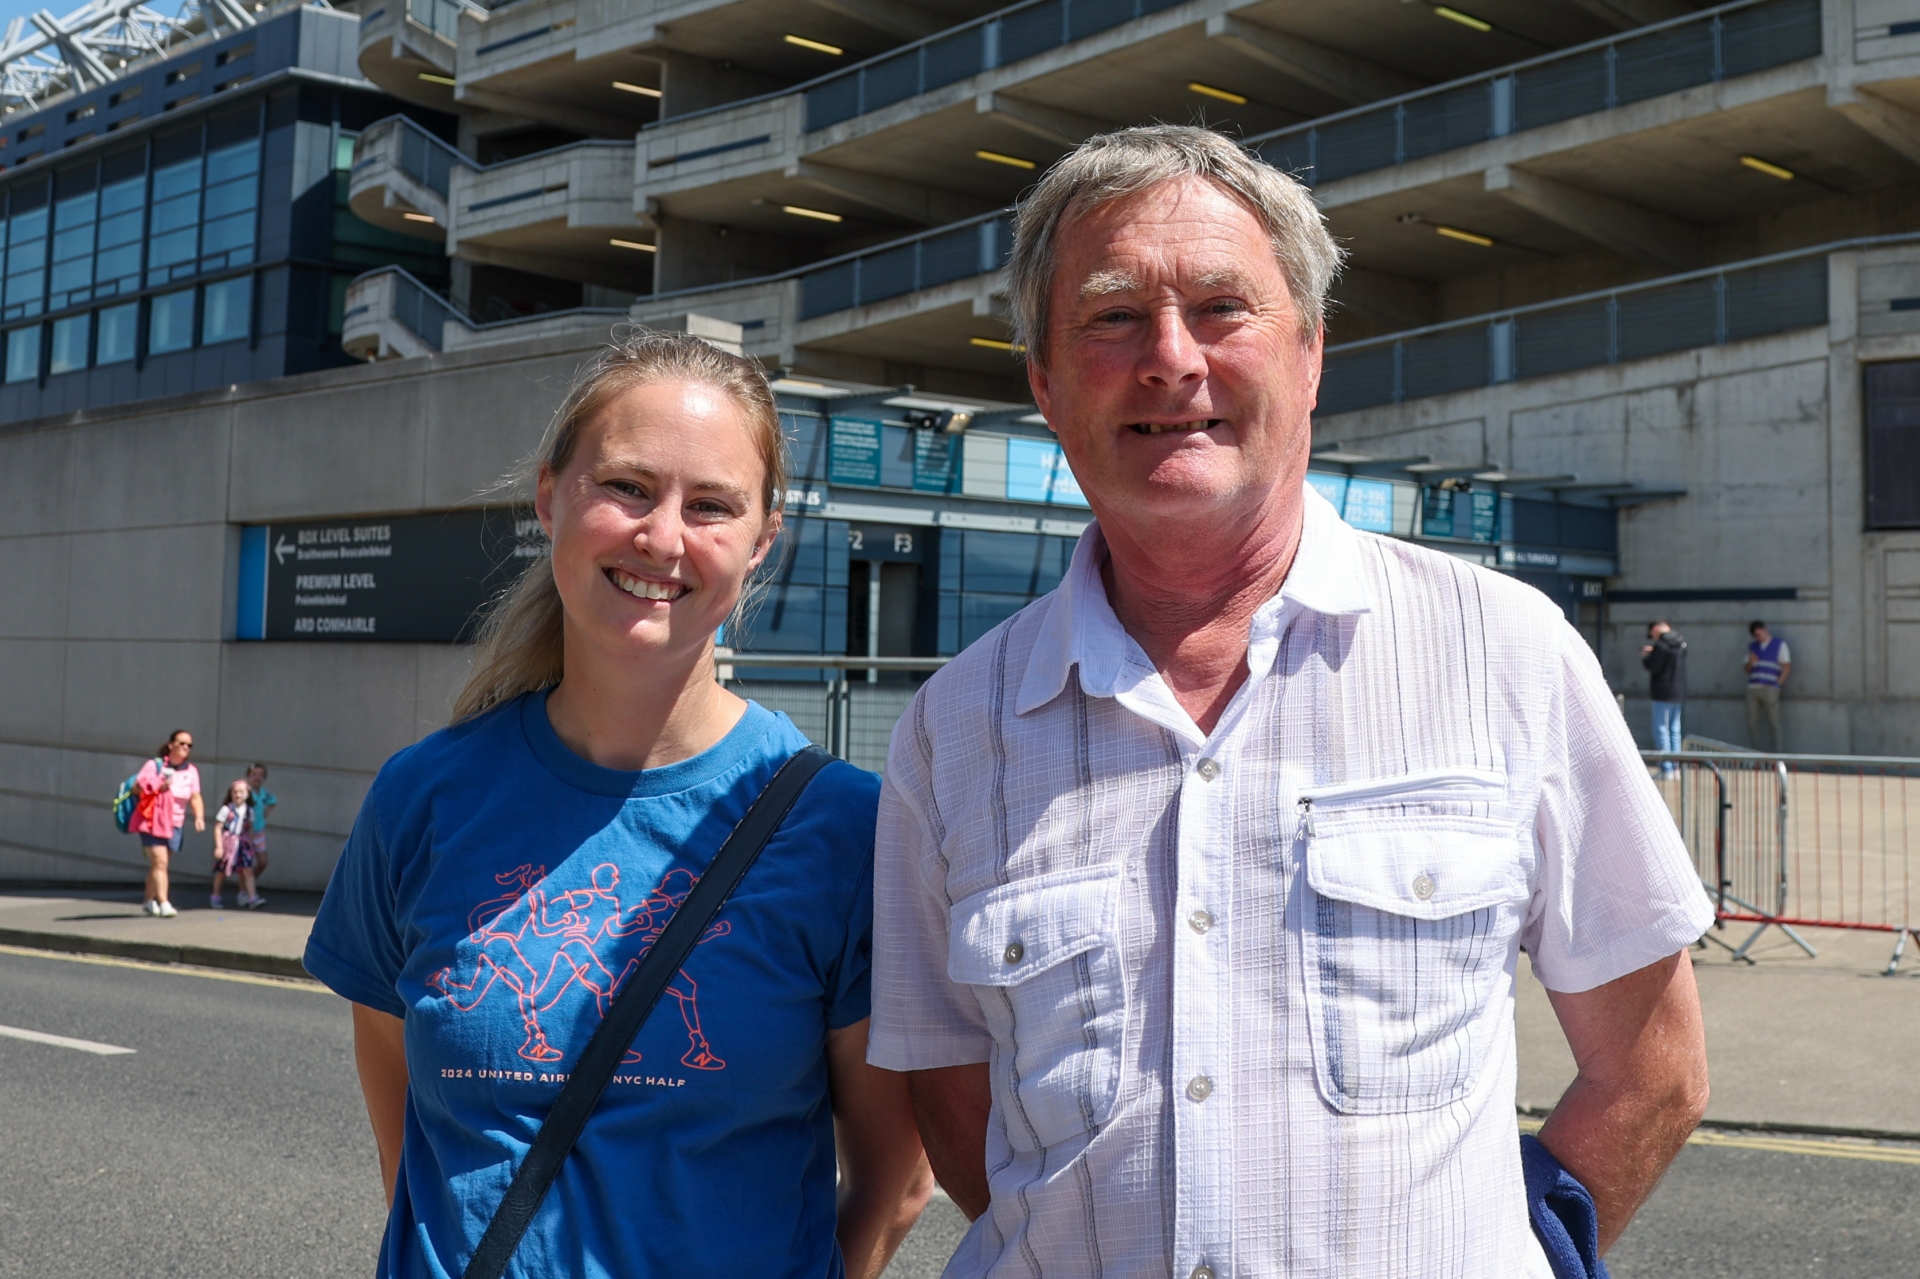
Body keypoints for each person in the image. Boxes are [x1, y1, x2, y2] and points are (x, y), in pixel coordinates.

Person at [870, 126, 1712, 1279]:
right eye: (1113, 316)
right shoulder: (954, 730)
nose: (1171, 358)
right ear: (1047, 385)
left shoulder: (1503, 652)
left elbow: (1652, 1068)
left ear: (1311, 354)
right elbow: (957, 1100)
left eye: (1223, 307)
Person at [304, 333, 931, 1279]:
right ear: (550, 495)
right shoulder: (423, 797)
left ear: (762, 541)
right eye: (628, 487)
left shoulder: (845, 829)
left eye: (711, 505)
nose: (662, 536)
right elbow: (411, 1133)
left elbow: (895, 1179)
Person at [130, 729, 203, 918]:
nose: (185, 747)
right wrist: (157, 786)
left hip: (175, 823)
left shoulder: (191, 770)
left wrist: (199, 817)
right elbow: (136, 789)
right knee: (160, 862)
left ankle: (148, 901)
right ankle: (164, 902)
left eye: (189, 745)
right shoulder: (155, 765)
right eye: (181, 743)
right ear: (171, 745)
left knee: (159, 865)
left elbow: (195, 796)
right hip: (152, 820)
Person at [1641, 620, 1687, 773]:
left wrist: (1646, 656)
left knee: (1661, 730)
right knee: (1675, 730)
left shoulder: (1661, 645)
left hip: (1662, 691)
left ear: (1655, 629)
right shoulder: (1681, 643)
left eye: (1652, 634)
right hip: (1678, 691)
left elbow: (1654, 666)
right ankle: (1675, 766)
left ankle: (1666, 768)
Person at [211, 779, 265, 910]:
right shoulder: (226, 809)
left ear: (247, 794)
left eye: (242, 792)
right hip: (229, 843)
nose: (238, 795)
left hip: (243, 842)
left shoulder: (249, 811)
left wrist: (251, 843)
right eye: (235, 792)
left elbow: (250, 828)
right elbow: (218, 827)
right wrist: (219, 846)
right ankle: (215, 896)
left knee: (247, 870)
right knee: (222, 871)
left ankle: (252, 897)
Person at [1745, 620, 1790, 752]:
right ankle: (1754, 755)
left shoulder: (1779, 644)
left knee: (1774, 723)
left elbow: (1786, 666)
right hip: (1753, 688)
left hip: (1770, 688)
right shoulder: (1752, 647)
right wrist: (1750, 662)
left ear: (1765, 629)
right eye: (1756, 636)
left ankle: (1778, 756)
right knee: (1752, 724)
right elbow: (1746, 669)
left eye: (1759, 634)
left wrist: (1778, 684)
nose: (1758, 637)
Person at [243, 763, 277, 883]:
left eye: (261, 775)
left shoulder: (264, 793)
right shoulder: (245, 792)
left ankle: (249, 884)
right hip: (246, 832)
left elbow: (273, 801)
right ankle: (243, 892)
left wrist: (265, 812)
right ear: (248, 776)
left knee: (263, 862)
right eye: (254, 775)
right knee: (246, 865)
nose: (257, 778)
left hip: (259, 831)